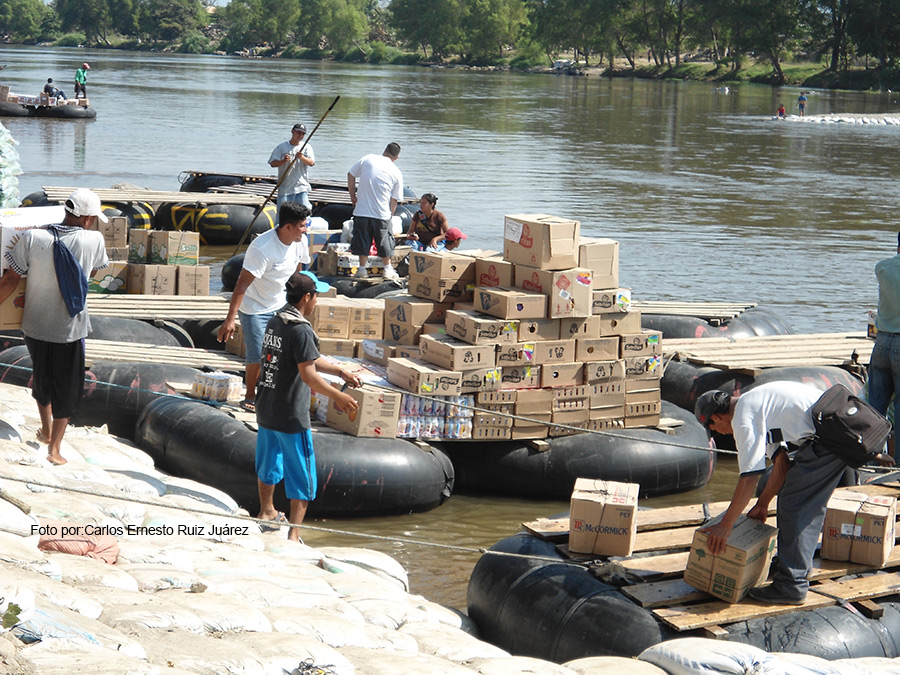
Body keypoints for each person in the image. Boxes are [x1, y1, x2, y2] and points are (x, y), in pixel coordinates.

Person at [694, 382, 893, 605]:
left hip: (829, 441)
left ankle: (791, 585)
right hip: (830, 436)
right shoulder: (756, 404)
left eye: (714, 429)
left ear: (716, 418)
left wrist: (725, 525)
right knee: (796, 500)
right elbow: (781, 464)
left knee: (796, 505)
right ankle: (795, 567)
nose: (719, 433)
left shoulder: (743, 417)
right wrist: (762, 504)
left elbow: (749, 478)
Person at [0, 189, 108, 465]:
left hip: (34, 326)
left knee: (43, 377)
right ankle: (54, 449)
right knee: (68, 387)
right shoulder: (93, 239)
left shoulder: (32, 237)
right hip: (70, 329)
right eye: (94, 218)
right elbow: (94, 271)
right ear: (85, 219)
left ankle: (46, 431)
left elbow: (11, 279)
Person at [255, 270, 361, 539]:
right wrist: (339, 395)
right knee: (302, 473)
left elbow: (307, 359)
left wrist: (340, 371)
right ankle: (293, 536)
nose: (317, 302)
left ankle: (267, 512)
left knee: (268, 462)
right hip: (291, 414)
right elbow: (308, 374)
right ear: (306, 297)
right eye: (316, 297)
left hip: (266, 406)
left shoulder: (276, 321)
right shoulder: (301, 330)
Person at [216, 202, 312, 411]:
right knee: (259, 353)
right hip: (255, 308)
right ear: (288, 227)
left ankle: (276, 394)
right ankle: (250, 396)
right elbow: (241, 284)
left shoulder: (300, 241)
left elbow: (298, 270)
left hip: (281, 304)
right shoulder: (262, 248)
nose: (306, 229)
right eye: (302, 226)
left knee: (286, 351)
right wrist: (230, 319)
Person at [347, 142, 402, 281]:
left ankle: (362, 269)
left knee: (362, 240)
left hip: (362, 211)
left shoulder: (368, 158)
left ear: (385, 150)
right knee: (384, 242)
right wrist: (390, 215)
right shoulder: (396, 172)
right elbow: (394, 199)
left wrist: (352, 195)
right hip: (381, 213)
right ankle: (387, 269)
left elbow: (351, 174)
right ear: (396, 157)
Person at [868, 231, 900, 455]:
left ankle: (869, 459)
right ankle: (898, 466)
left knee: (875, 410)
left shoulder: (882, 268)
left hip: (881, 343)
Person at [268, 123, 315, 213]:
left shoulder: (306, 147)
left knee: (304, 212)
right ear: (292, 131)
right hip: (285, 188)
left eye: (302, 134)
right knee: (283, 214)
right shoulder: (282, 147)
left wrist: (302, 157)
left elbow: (311, 163)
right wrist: (283, 161)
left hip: (301, 186)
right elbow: (272, 163)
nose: (300, 135)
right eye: (298, 132)